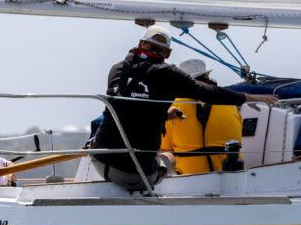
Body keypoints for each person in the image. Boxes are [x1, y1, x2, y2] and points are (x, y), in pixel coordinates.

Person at [90, 26, 277, 191]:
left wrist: (163, 114)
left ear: (141, 44)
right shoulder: (167, 74)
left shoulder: (117, 69)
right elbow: (209, 93)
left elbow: (131, 107)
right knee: (169, 159)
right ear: (168, 53)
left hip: (100, 160)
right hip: (136, 175)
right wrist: (248, 97)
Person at [160, 59, 246, 175]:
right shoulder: (230, 104)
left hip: (190, 180)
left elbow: (165, 150)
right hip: (232, 176)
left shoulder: (173, 108)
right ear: (208, 77)